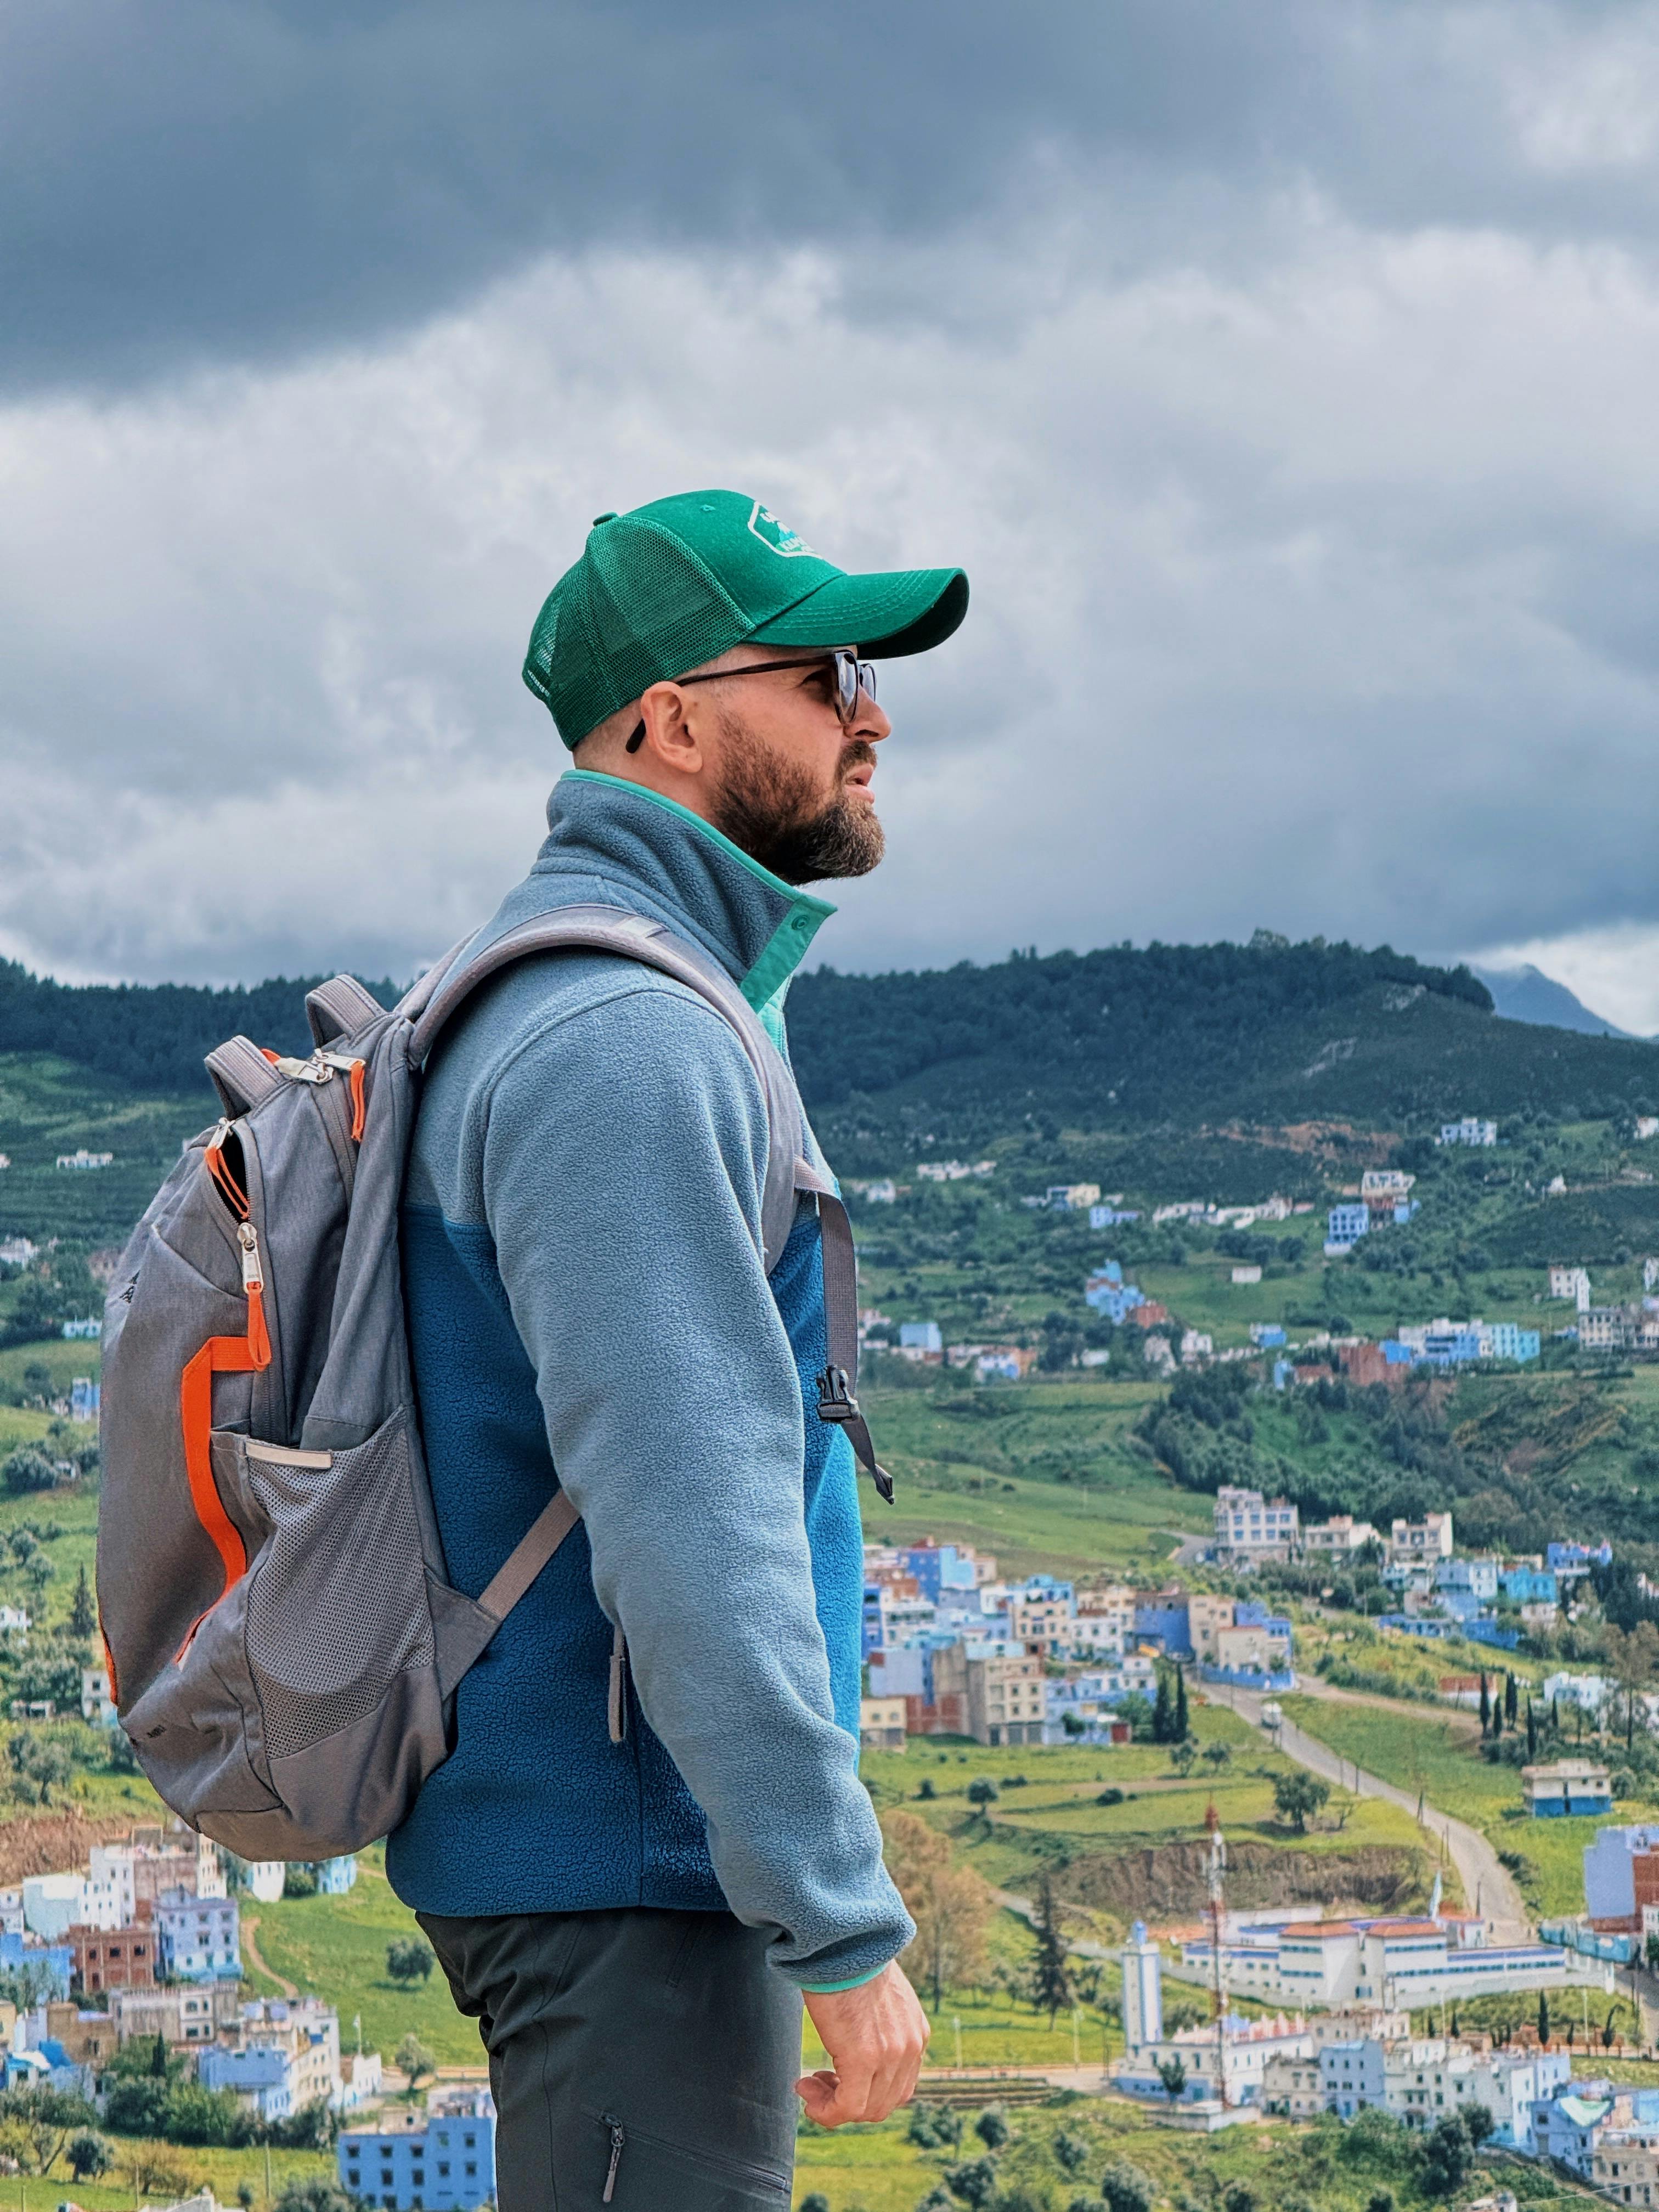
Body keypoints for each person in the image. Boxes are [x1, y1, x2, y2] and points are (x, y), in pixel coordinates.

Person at [387, 490, 969, 2208]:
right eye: (828, 669)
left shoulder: (588, 991)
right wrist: (839, 1918)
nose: (873, 713)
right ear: (672, 722)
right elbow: (690, 1519)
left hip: (615, 1851)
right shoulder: (629, 1036)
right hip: (634, 1864)